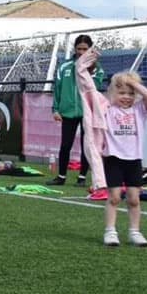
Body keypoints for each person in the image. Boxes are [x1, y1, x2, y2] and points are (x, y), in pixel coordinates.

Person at [76, 48, 147, 247]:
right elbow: (89, 90)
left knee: (134, 199)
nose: (126, 96)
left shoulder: (139, 110)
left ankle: (134, 232)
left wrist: (132, 82)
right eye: (121, 92)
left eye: (130, 93)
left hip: (134, 160)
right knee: (115, 196)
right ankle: (110, 231)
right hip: (113, 159)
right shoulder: (107, 109)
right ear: (112, 92)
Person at [51, 34, 104, 192]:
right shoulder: (64, 66)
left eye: (85, 49)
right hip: (67, 112)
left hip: (87, 111)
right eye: (79, 48)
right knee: (65, 145)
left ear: (90, 49)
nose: (81, 52)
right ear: (75, 49)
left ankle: (82, 177)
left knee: (86, 145)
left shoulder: (97, 68)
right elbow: (57, 88)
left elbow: (94, 88)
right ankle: (61, 176)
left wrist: (87, 69)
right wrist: (55, 109)